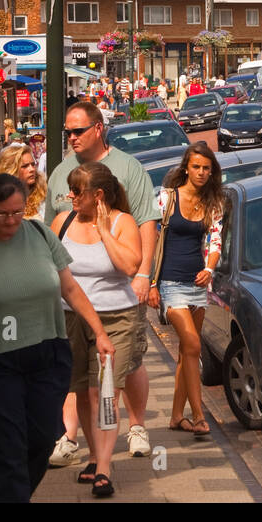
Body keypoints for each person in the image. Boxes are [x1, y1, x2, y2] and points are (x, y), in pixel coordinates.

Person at [0, 174, 114, 503]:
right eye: (3, 214)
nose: (11, 221)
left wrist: (99, 332)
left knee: (44, 437)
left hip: (46, 354)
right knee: (5, 444)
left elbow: (70, 289)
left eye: (17, 212)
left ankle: (10, 494)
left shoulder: (40, 233)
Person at [45, 102, 160, 465]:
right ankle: (72, 437)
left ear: (98, 129)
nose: (72, 138)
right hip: (74, 304)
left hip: (120, 295)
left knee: (129, 363)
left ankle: (137, 426)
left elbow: (146, 222)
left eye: (78, 131)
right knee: (82, 379)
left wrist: (144, 274)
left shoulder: (128, 167)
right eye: (67, 132)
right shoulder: (62, 172)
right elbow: (53, 232)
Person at [52, 162, 143, 496]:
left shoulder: (123, 222)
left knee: (103, 392)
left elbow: (131, 265)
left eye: (78, 192)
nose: (71, 196)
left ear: (99, 195)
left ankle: (104, 468)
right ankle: (93, 455)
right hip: (70, 318)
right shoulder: (62, 221)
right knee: (80, 390)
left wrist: (104, 230)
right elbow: (51, 267)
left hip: (115, 318)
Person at [152, 144, 224, 438]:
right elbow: (152, 238)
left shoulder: (213, 203)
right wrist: (151, 283)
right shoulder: (167, 198)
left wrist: (210, 269)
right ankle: (198, 415)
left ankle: (175, 416)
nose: (201, 172)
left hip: (197, 285)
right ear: (186, 168)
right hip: (170, 283)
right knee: (193, 345)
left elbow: (216, 241)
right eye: (196, 167)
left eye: (206, 168)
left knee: (186, 353)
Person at [0, 143, 48, 221]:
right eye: (25, 166)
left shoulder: (43, 194)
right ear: (11, 170)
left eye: (33, 164)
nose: (32, 169)